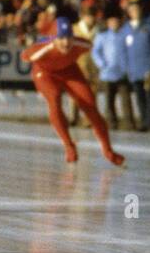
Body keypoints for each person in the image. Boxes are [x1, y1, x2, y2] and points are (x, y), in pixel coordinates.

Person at [21, 17, 125, 166]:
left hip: (70, 71)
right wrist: (45, 46)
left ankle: (108, 150)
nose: (66, 42)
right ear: (53, 38)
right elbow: (25, 56)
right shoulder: (44, 48)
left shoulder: (80, 43)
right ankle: (68, 144)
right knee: (54, 99)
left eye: (69, 37)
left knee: (90, 106)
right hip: (45, 74)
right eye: (61, 38)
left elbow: (90, 45)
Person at [119, 0, 150, 133]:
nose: (135, 12)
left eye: (137, 9)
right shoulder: (125, 29)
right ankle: (143, 121)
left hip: (149, 68)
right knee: (139, 97)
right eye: (132, 10)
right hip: (134, 69)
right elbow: (122, 50)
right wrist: (125, 67)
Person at [91, 14, 130, 130]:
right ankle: (111, 123)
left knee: (126, 100)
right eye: (112, 21)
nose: (114, 24)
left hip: (122, 73)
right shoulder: (102, 36)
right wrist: (102, 64)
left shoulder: (125, 35)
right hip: (107, 73)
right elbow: (95, 52)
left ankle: (129, 123)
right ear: (108, 23)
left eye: (116, 21)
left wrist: (128, 66)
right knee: (109, 100)